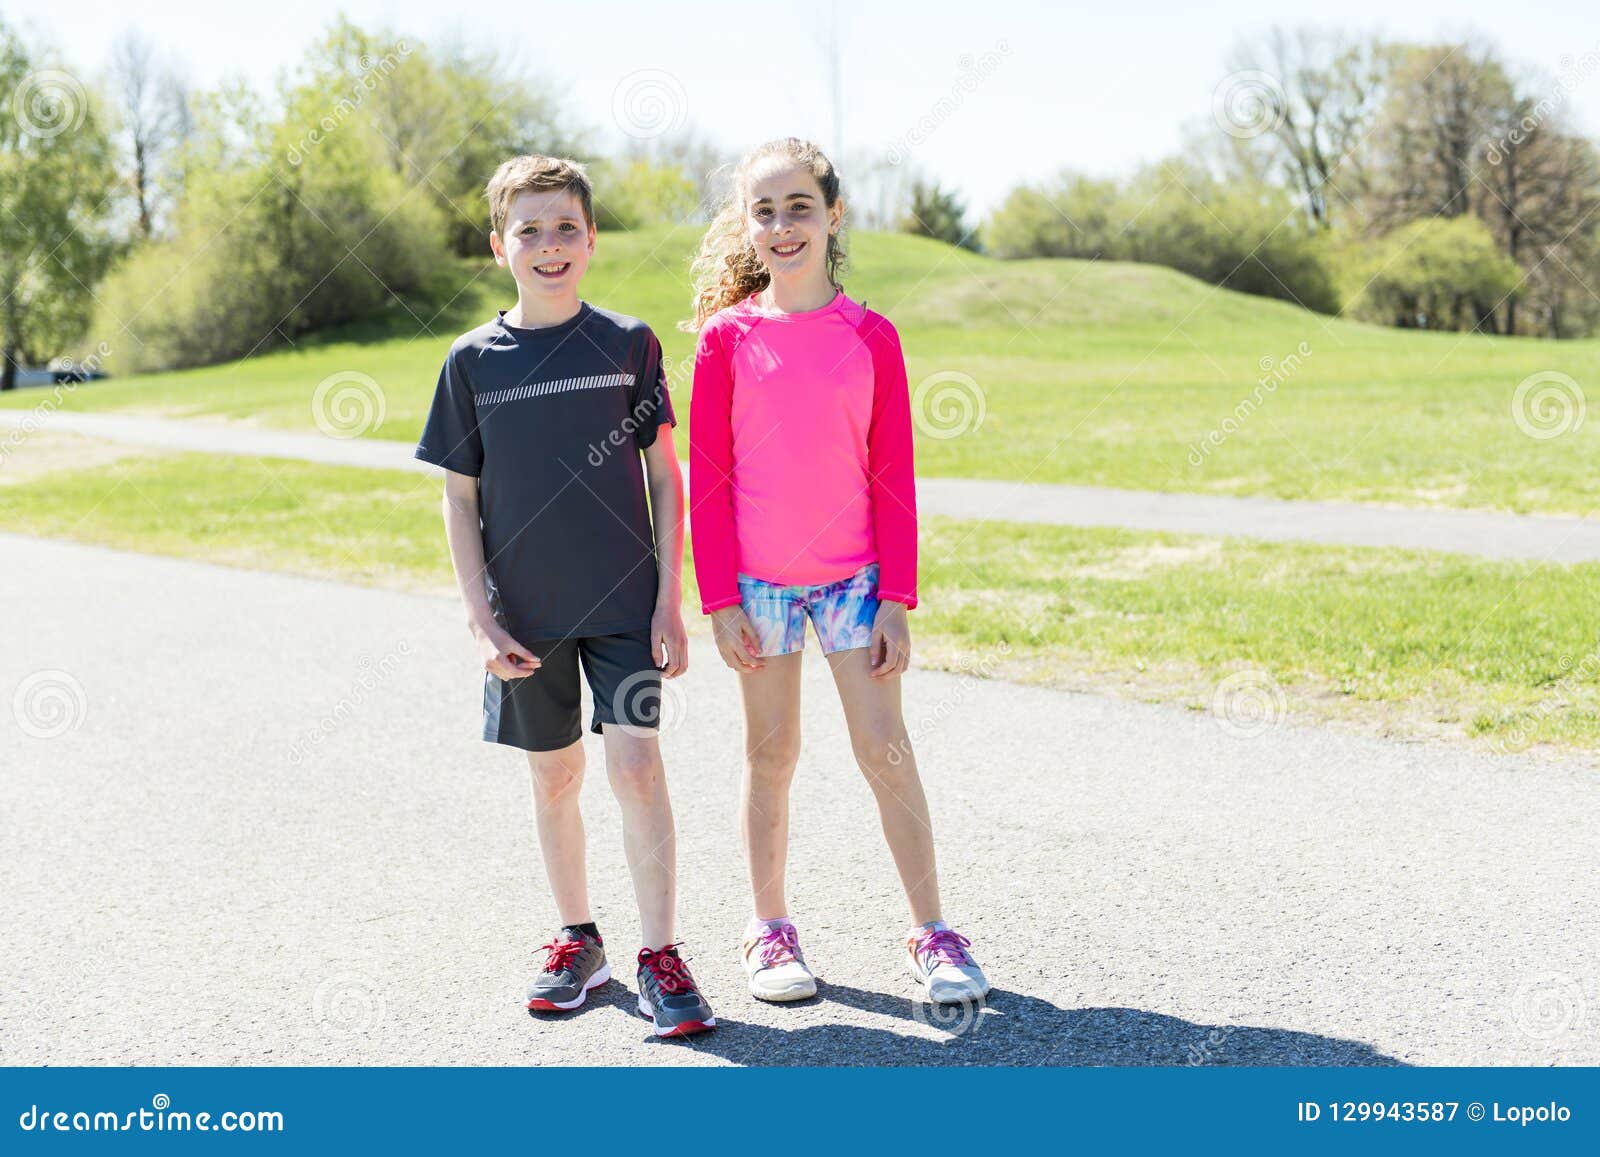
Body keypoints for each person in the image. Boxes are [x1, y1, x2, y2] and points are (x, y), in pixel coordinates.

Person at [686, 138, 989, 1007]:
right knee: (770, 751)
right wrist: (718, 600)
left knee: (883, 747)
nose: (783, 226)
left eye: (799, 208)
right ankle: (769, 926)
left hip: (856, 580)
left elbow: (894, 474)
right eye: (765, 211)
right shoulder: (726, 340)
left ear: (833, 215)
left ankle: (933, 930)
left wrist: (898, 597)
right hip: (760, 587)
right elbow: (708, 480)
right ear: (748, 227)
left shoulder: (872, 336)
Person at [416, 155, 713, 1038]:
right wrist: (479, 615)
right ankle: (578, 937)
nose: (549, 245)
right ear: (498, 243)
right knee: (555, 777)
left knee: (636, 765)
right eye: (530, 229)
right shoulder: (471, 361)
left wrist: (669, 597)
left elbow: (664, 472)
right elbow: (458, 497)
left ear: (592, 238)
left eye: (566, 228)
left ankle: (660, 954)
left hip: (626, 606)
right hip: (526, 617)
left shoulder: (628, 342)